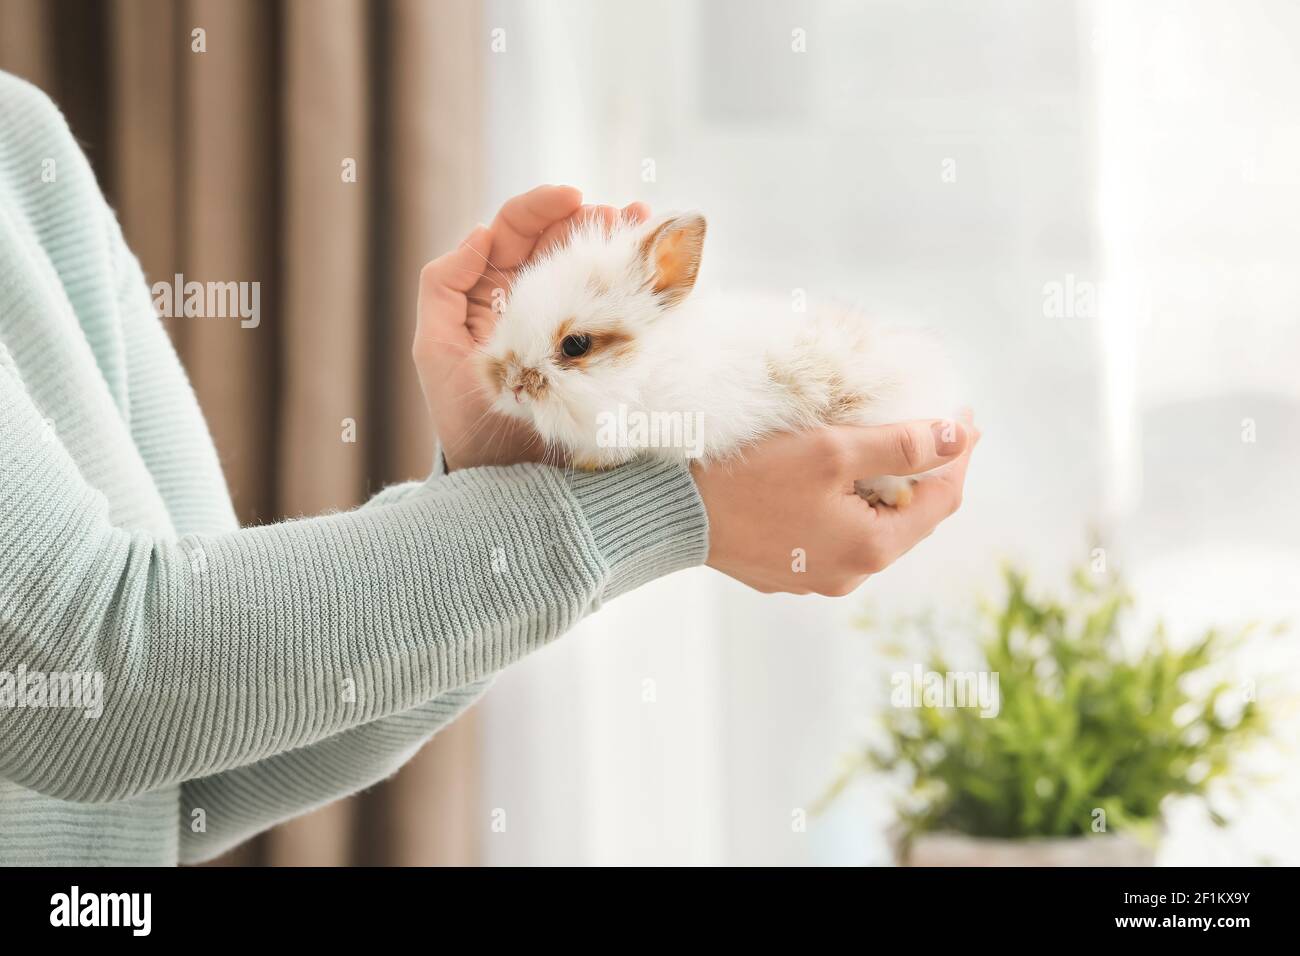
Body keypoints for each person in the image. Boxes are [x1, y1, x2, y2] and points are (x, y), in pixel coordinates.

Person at [0, 72, 978, 865]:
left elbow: (204, 762)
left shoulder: (25, 147)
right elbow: (98, 687)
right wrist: (670, 507)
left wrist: (494, 488)